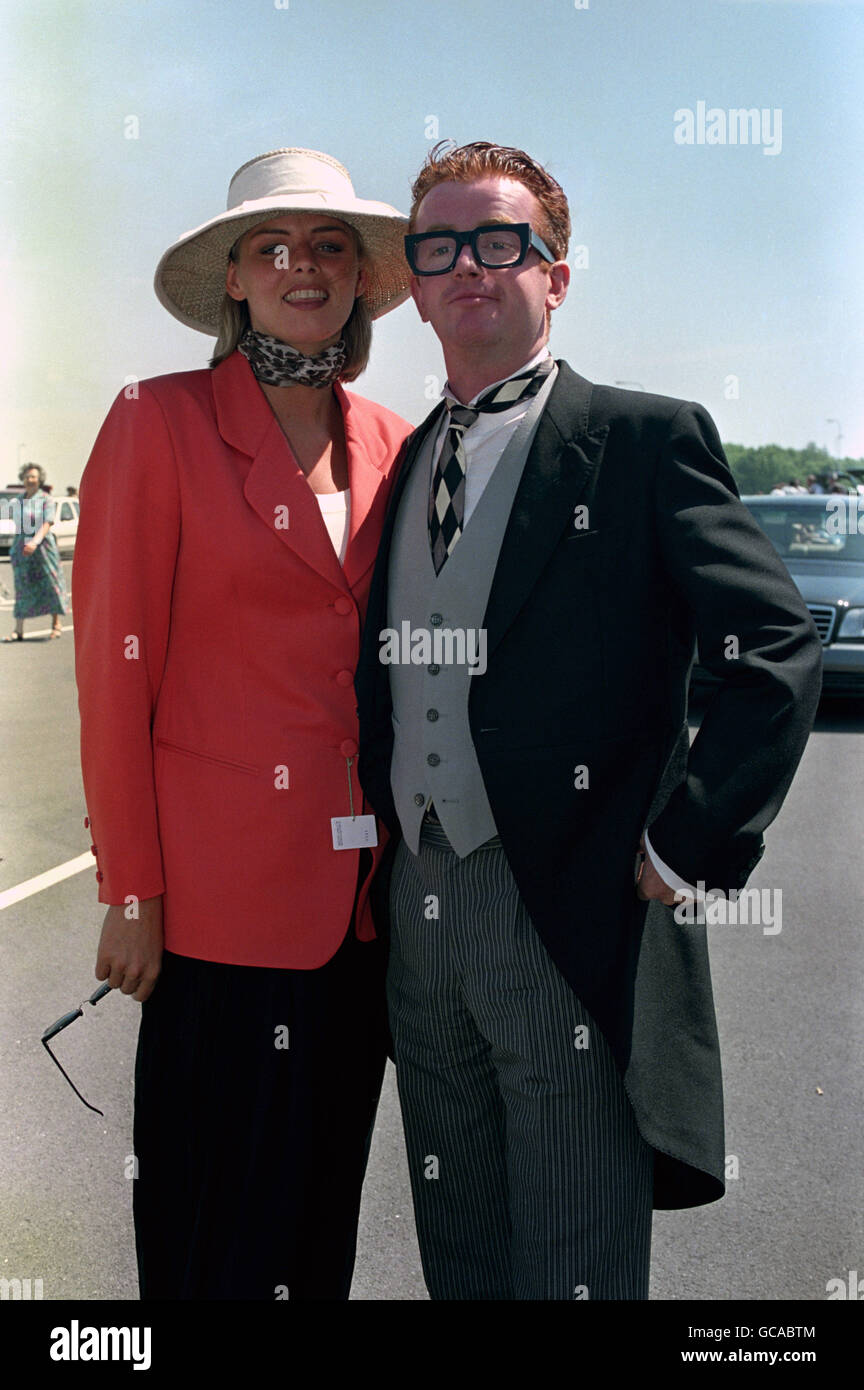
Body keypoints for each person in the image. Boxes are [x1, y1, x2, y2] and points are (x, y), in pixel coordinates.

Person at [355, 141, 823, 1300]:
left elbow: (773, 646)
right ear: (413, 286)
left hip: (564, 906)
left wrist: (688, 839)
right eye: (440, 247)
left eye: (501, 241)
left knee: (572, 1254)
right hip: (416, 909)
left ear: (553, 276)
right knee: (455, 1236)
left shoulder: (642, 441)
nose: (469, 265)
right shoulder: (407, 459)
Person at [74, 147, 412, 1300]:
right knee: (207, 1222)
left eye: (327, 246)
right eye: (271, 248)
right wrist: (133, 890)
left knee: (314, 1227)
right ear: (232, 278)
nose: (300, 267)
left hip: (358, 921)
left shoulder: (396, 442)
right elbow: (115, 678)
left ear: (360, 280)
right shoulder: (156, 423)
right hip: (214, 917)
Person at [2, 463, 67, 641]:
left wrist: (35, 542)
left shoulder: (46, 499)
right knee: (22, 587)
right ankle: (18, 629)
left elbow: (47, 523)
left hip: (42, 547)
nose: (30, 480)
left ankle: (56, 624)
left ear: (39, 480)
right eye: (27, 477)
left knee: (51, 583)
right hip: (22, 549)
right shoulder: (18, 501)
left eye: (33, 477)